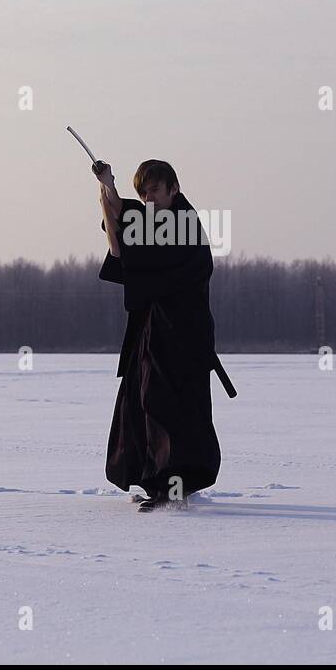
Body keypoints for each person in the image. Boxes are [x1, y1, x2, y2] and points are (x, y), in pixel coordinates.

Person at [94, 159, 234, 512]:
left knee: (169, 408)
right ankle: (155, 482)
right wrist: (107, 189)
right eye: (143, 193)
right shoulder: (154, 222)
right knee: (138, 404)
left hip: (182, 336)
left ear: (174, 188)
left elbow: (142, 254)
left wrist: (113, 203)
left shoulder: (185, 225)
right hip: (151, 331)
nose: (148, 199)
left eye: (155, 190)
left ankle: (172, 490)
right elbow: (129, 243)